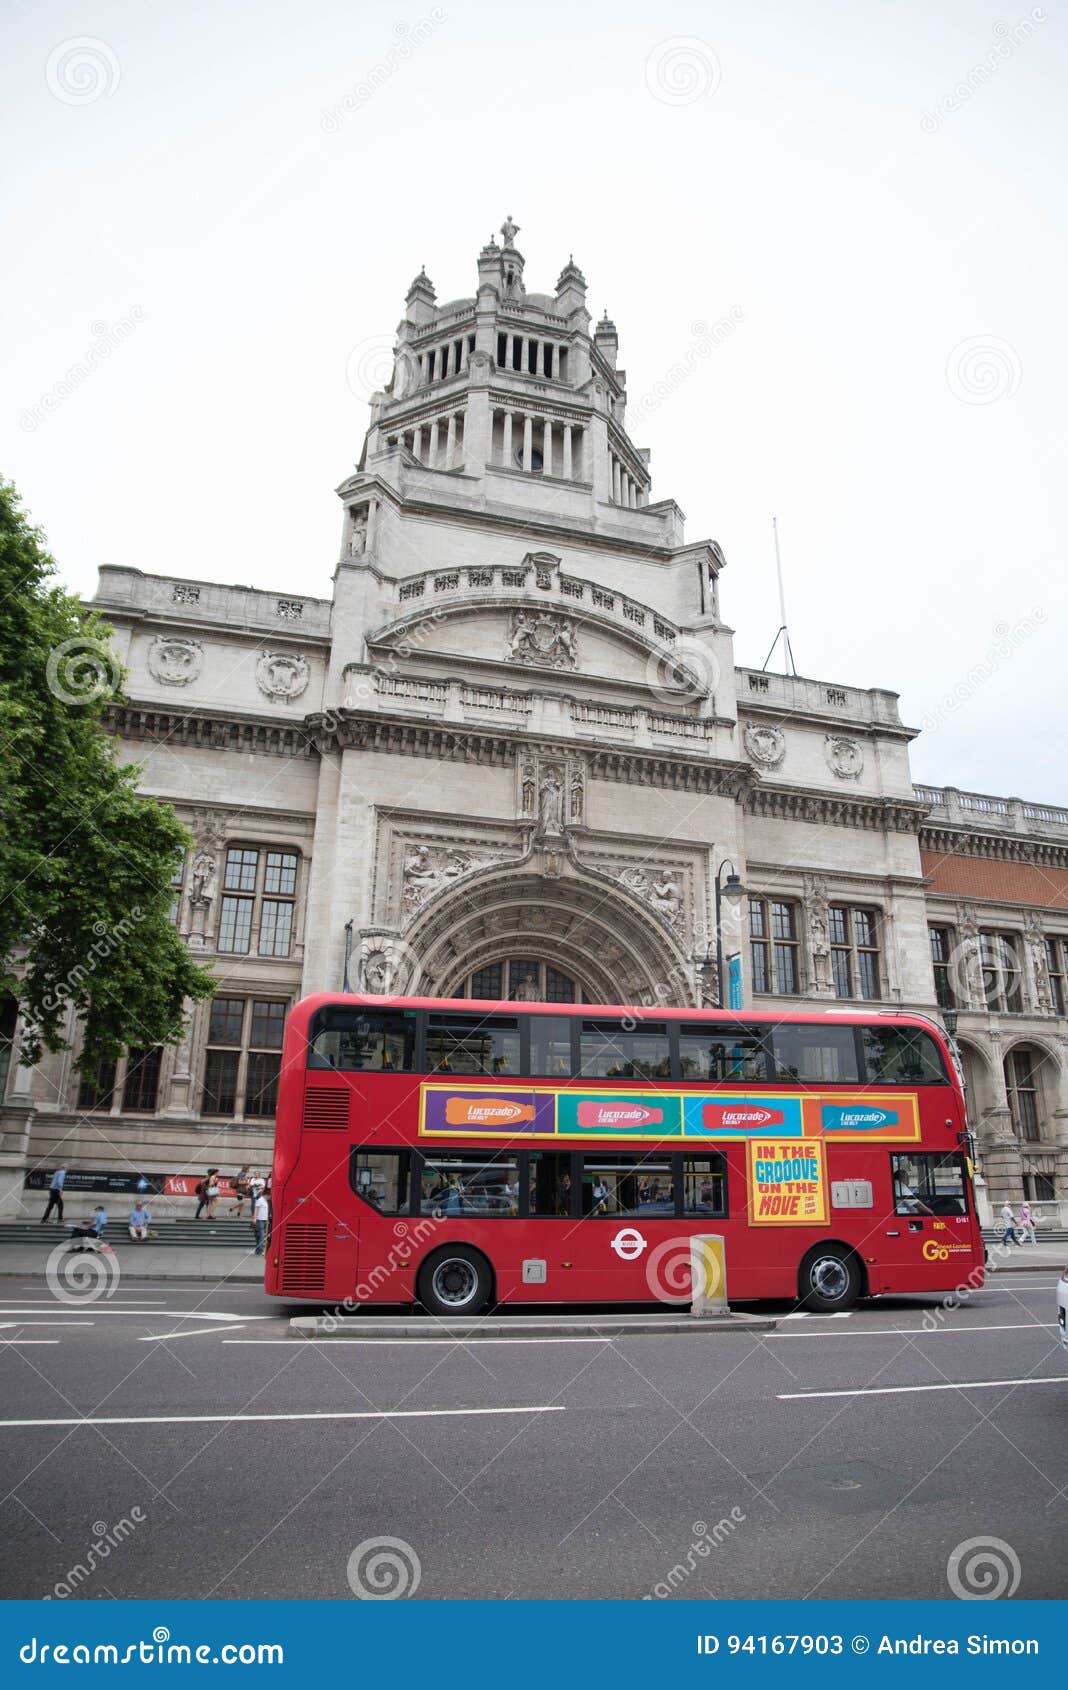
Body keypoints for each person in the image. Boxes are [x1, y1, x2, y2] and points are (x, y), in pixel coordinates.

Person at [251, 1188, 269, 1256]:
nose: (269, 1198)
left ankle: (257, 1250)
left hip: (264, 1220)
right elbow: (256, 1209)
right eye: (269, 1196)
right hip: (260, 1220)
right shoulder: (260, 1200)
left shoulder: (265, 1201)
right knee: (261, 1236)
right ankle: (260, 1250)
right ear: (266, 1195)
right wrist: (255, 1218)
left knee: (259, 1236)